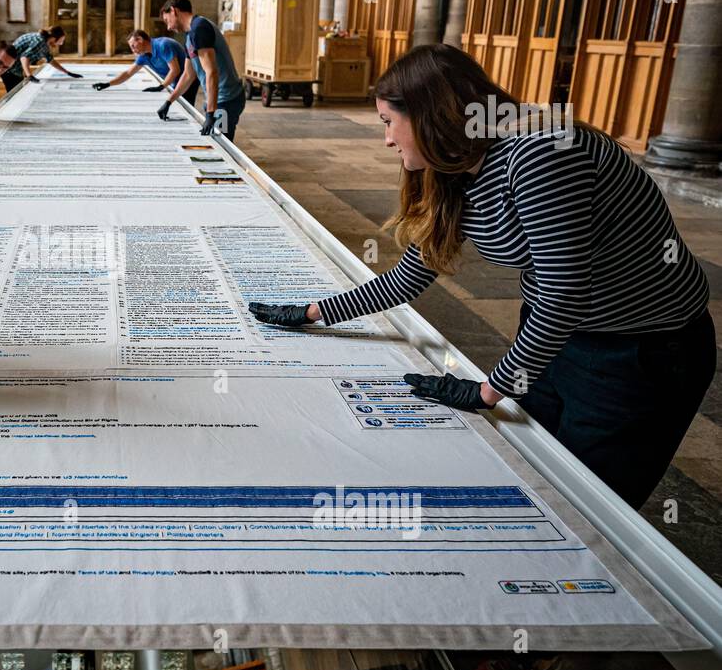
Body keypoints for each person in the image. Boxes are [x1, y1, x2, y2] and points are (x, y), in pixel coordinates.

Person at [248, 44, 713, 509]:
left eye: (389, 123)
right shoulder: (458, 163)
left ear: (431, 116)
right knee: (543, 471)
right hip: (561, 338)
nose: (387, 140)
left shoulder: (540, 154)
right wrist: (314, 312)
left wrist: (489, 390)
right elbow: (413, 273)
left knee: (590, 500)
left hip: (643, 351)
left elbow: (563, 293)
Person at [157, 0, 246, 141]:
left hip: (225, 99)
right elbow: (188, 74)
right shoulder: (190, 36)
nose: (169, 27)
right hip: (218, 100)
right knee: (215, 141)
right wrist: (169, 101)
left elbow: (212, 72)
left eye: (167, 21)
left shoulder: (200, 29)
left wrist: (211, 113)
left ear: (174, 11)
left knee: (221, 144)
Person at [91, 28, 197, 104]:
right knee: (171, 104)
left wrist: (161, 86)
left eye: (133, 46)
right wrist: (108, 84)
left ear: (140, 40)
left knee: (183, 106)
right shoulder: (144, 55)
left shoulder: (163, 45)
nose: (133, 51)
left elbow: (175, 70)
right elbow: (128, 74)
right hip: (173, 82)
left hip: (188, 79)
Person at [2, 26, 80, 91]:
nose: (61, 43)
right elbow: (24, 57)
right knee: (14, 96)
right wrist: (29, 75)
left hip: (13, 69)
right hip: (10, 70)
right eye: (61, 40)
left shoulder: (44, 42)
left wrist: (67, 72)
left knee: (17, 94)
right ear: (53, 38)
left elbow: (51, 60)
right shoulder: (40, 42)